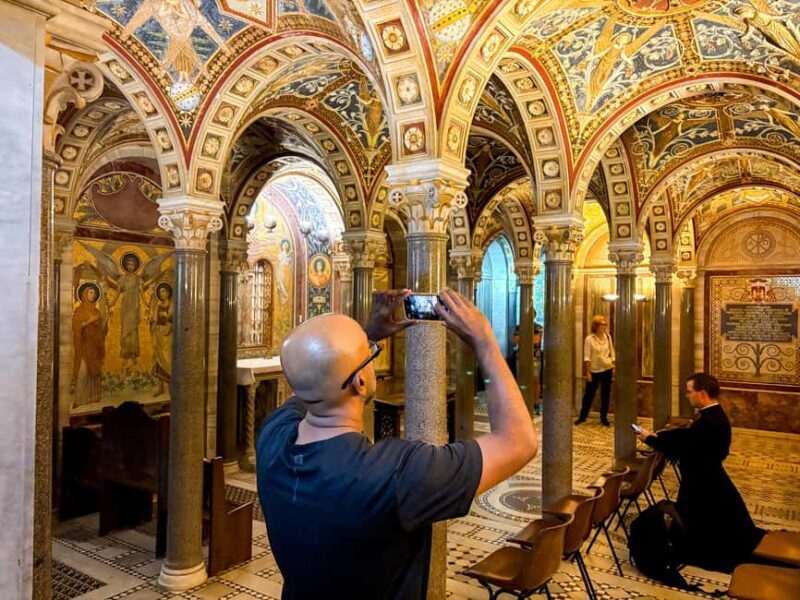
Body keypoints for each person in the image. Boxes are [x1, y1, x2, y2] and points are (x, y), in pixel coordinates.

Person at [256, 288, 537, 599]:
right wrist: (484, 341)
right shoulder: (397, 474)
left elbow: (314, 375)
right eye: (370, 354)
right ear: (360, 382)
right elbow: (519, 441)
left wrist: (368, 336)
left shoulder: (272, 436)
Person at [635, 373, 764, 573]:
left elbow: (687, 445)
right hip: (707, 478)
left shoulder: (710, 421)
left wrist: (650, 440)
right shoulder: (712, 416)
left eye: (689, 392)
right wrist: (658, 435)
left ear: (702, 393)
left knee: (709, 529)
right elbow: (688, 436)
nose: (687, 396)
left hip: (703, 483)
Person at [70, 283, 107, 407]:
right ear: (84, 294)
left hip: (94, 346)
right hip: (84, 346)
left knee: (94, 373)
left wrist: (103, 325)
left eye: (94, 293)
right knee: (83, 372)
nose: (93, 295)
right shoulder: (79, 311)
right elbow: (75, 327)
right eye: (91, 292)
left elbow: (102, 330)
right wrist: (87, 323)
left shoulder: (96, 311)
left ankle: (92, 397)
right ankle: (79, 400)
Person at [576, 315, 615, 426]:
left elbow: (612, 352)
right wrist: (587, 372)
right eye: (602, 324)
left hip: (607, 369)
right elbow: (587, 357)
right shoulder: (589, 339)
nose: (604, 326)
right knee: (589, 394)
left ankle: (604, 418)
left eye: (605, 324)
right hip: (594, 370)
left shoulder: (608, 336)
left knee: (605, 395)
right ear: (596, 326)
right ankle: (582, 417)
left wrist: (613, 365)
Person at [149, 282, 173, 398]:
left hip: (167, 336)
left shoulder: (172, 305)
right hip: (158, 335)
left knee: (167, 361)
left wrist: (166, 317)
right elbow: (154, 319)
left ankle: (171, 388)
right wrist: (153, 323)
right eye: (160, 292)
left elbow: (173, 320)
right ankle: (160, 388)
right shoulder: (158, 305)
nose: (161, 294)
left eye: (163, 291)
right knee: (158, 360)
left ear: (168, 292)